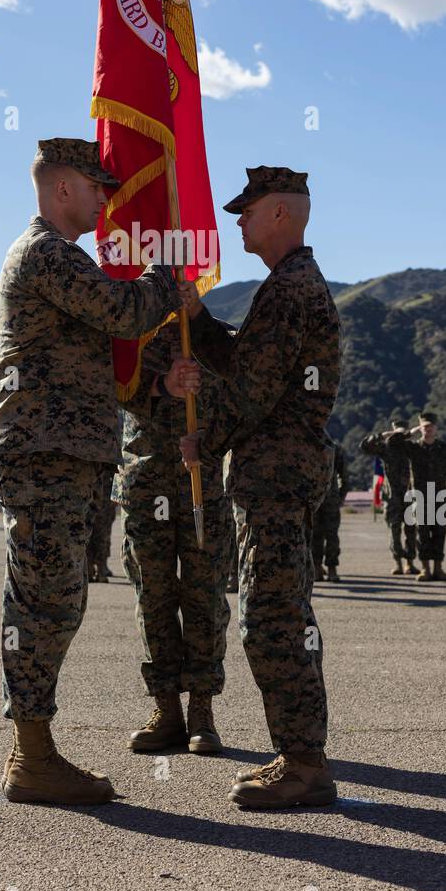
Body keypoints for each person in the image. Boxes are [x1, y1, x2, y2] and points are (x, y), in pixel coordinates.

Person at [0, 137, 182, 806]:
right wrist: (169, 273)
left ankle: (32, 752)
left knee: (57, 602)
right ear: (63, 188)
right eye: (99, 188)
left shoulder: (61, 258)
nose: (107, 201)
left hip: (64, 453)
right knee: (43, 603)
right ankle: (32, 758)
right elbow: (121, 312)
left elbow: (104, 359)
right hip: (43, 453)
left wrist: (159, 387)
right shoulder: (44, 253)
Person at [175, 164, 340, 810]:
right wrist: (203, 321)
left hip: (275, 470)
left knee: (271, 619)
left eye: (246, 212)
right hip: (277, 466)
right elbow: (252, 364)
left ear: (279, 214)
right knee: (280, 615)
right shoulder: (288, 285)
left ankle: (303, 764)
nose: (236, 221)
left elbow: (253, 388)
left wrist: (205, 439)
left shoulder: (289, 288)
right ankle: (300, 757)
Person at [116, 320, 231, 755]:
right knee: (154, 595)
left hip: (201, 479)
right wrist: (162, 386)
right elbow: (109, 387)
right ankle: (166, 707)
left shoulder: (212, 335)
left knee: (205, 595)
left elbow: (246, 401)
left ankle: (202, 709)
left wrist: (211, 439)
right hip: (146, 479)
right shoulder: (130, 335)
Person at [360, 419, 417, 574]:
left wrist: (414, 433)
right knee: (394, 529)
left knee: (411, 530)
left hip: (410, 495)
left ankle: (410, 563)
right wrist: (382, 435)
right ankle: (397, 562)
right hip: (392, 496)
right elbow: (364, 446)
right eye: (397, 430)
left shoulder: (410, 447)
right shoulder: (386, 448)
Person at [404, 413, 446, 581]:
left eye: (431, 426)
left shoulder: (445, 449)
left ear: (436, 428)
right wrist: (409, 433)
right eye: (425, 426)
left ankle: (438, 568)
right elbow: (392, 444)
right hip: (420, 497)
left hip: (441, 496)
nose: (428, 429)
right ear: (420, 428)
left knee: (440, 533)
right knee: (423, 535)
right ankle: (425, 569)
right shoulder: (413, 447)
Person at [311, 440, 348, 582]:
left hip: (330, 499)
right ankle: (317, 568)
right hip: (313, 499)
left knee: (332, 534)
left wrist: (341, 497)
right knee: (314, 535)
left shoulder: (335, 448)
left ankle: (332, 568)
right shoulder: (308, 444)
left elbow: (344, 475)